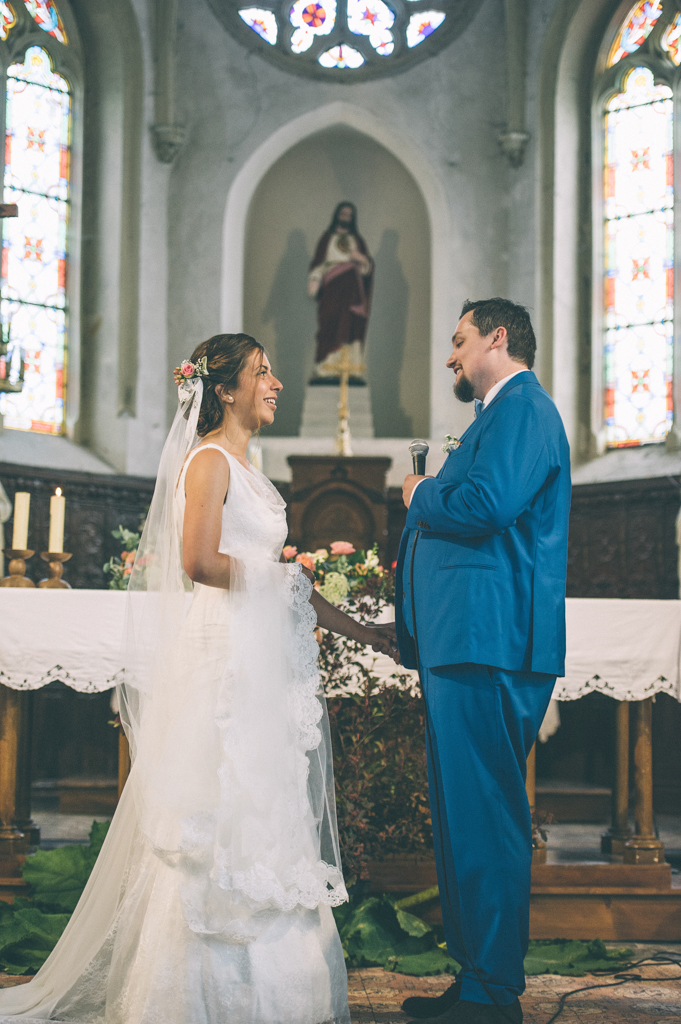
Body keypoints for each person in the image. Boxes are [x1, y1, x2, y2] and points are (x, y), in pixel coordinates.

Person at [0, 333, 398, 1024]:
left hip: (260, 654)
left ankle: (281, 991)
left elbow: (288, 585)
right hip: (223, 656)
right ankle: (194, 996)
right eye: (262, 373)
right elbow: (198, 562)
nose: (275, 384)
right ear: (223, 389)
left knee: (264, 805)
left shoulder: (249, 468)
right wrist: (276, 581)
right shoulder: (208, 461)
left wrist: (369, 633)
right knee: (215, 811)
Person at [395, 299, 571, 1024]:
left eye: (459, 341)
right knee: (464, 817)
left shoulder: (524, 409)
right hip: (464, 639)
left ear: (498, 338)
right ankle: (477, 979)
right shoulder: (496, 416)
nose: (450, 357)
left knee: (486, 816)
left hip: (487, 640)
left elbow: (486, 504)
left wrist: (418, 493)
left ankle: (493, 992)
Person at [308, 201, 373, 381]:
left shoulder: (357, 241)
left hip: (352, 291)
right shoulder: (327, 239)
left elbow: (366, 270)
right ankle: (326, 365)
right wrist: (314, 279)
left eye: (349, 215)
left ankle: (351, 367)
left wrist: (362, 260)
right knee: (329, 324)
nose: (345, 218)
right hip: (332, 290)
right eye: (343, 214)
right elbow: (318, 264)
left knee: (351, 327)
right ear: (337, 215)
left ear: (352, 218)